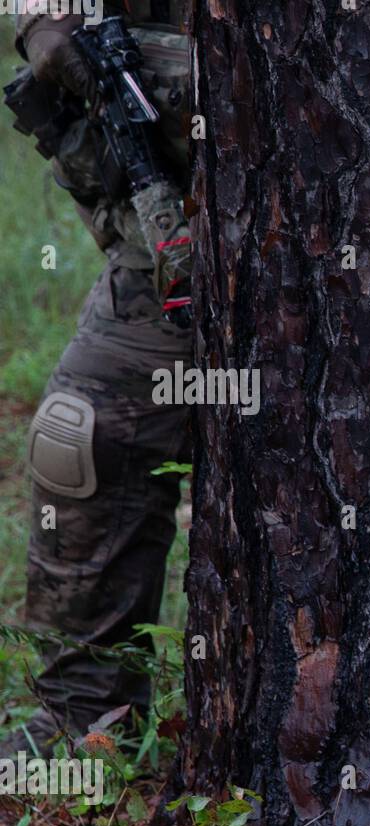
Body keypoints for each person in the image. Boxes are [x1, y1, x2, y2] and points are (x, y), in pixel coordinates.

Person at [2, 1, 192, 753]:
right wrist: (43, 22)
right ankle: (87, 720)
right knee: (78, 437)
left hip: (359, 267)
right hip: (166, 248)